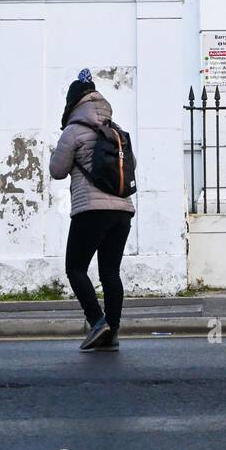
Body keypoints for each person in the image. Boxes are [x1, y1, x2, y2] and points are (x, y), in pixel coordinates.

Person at [49, 69, 135, 352]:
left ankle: (98, 322)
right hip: (123, 211)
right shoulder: (117, 130)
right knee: (110, 272)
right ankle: (114, 330)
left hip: (91, 210)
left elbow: (57, 171)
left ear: (73, 103)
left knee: (75, 268)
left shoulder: (74, 130)